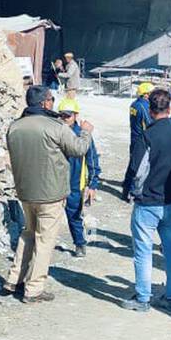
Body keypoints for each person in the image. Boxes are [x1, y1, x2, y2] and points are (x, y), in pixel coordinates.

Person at [5, 85, 94, 303]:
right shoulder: (56, 127)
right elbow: (78, 149)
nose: (52, 103)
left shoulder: (14, 126)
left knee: (28, 234)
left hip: (26, 192)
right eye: (51, 99)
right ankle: (34, 289)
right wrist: (86, 132)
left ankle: (14, 279)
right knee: (44, 241)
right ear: (45, 102)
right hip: (51, 194)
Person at [122, 88, 171, 312]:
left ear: (150, 111)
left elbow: (136, 168)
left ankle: (143, 298)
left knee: (143, 250)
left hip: (148, 201)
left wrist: (127, 190)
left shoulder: (147, 135)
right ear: (170, 108)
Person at [57, 98, 100, 259]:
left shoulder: (82, 135)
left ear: (75, 115)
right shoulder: (55, 132)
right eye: (61, 115)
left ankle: (80, 243)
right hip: (56, 183)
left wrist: (93, 184)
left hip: (75, 184)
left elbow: (93, 159)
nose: (64, 118)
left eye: (67, 115)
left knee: (74, 215)